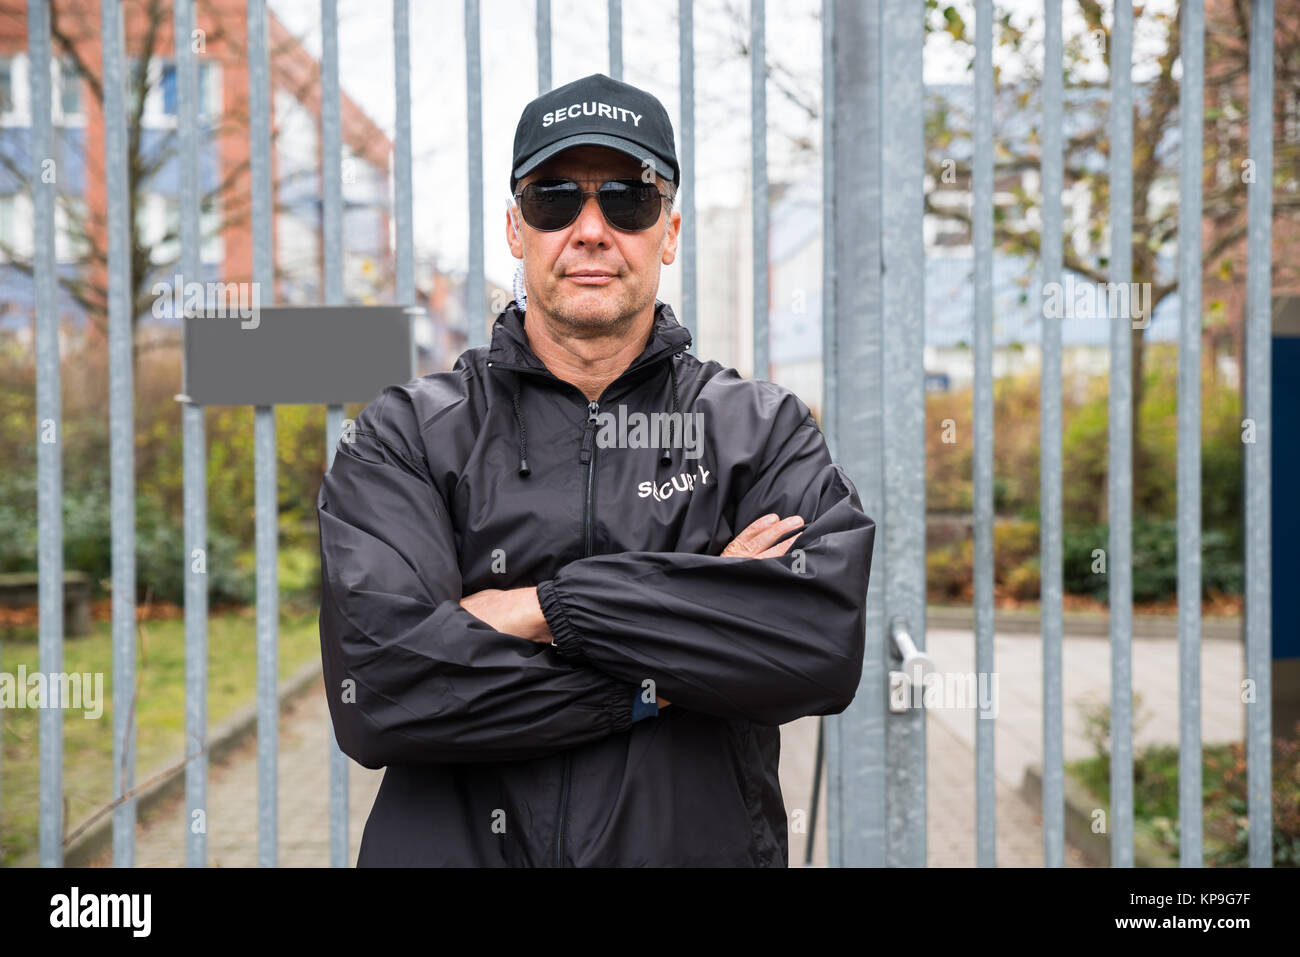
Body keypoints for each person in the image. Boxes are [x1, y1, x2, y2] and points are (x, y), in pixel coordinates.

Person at [316, 71, 876, 866]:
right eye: (554, 199)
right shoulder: (407, 435)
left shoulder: (758, 430)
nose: (590, 229)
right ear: (517, 229)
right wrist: (681, 659)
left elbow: (814, 643)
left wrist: (538, 606)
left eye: (627, 198)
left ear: (669, 230)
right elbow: (383, 690)